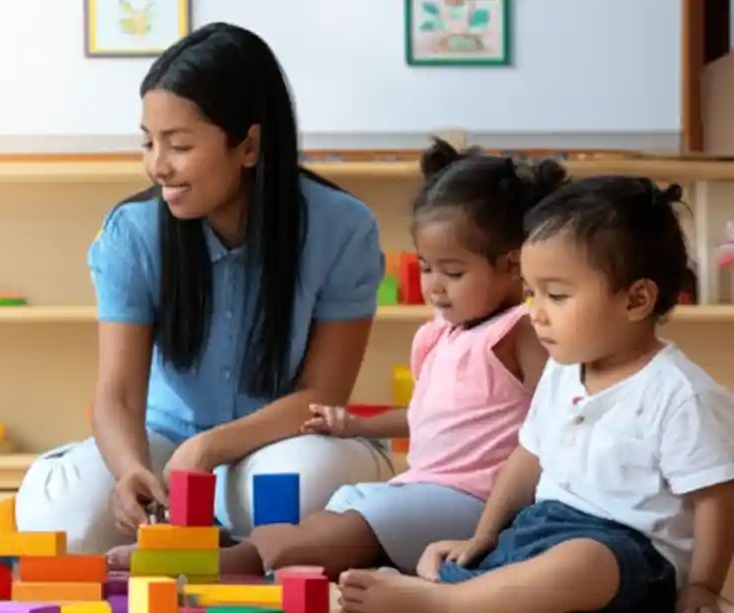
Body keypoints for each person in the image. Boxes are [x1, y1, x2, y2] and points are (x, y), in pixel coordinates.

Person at [14, 22, 392, 555]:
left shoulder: (341, 227)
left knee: (306, 485)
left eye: (180, 145)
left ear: (249, 146)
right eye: (148, 143)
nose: (157, 166)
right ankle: (223, 537)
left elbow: (322, 396)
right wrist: (131, 470)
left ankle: (220, 535)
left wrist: (211, 448)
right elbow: (117, 396)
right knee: (65, 514)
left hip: (280, 443)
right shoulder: (132, 233)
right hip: (164, 445)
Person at [340, 176, 734, 613]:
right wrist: (484, 535)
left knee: (580, 562)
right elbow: (527, 458)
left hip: (634, 556)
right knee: (486, 555)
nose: (536, 312)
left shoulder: (681, 394)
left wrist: (702, 586)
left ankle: (438, 603)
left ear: (637, 299)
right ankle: (455, 586)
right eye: (530, 292)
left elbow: (716, 499)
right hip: (545, 525)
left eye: (557, 296)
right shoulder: (563, 371)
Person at [221, 139, 560, 577]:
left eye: (453, 272)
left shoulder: (519, 332)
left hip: (474, 500)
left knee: (328, 540)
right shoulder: (442, 334)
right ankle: (237, 558)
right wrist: (356, 426)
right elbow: (428, 417)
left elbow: (555, 422)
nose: (434, 286)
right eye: (426, 268)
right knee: (322, 519)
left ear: (513, 266)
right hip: (421, 486)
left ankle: (234, 564)